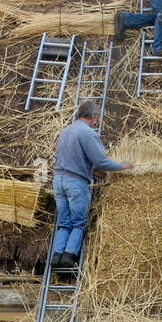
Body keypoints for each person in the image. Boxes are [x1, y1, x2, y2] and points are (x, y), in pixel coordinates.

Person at [51, 100, 133, 269]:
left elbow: (71, 159)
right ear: (94, 116)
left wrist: (92, 171)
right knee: (79, 222)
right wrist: (120, 166)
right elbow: (101, 161)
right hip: (75, 183)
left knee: (64, 222)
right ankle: (69, 254)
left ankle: (56, 254)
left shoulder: (66, 131)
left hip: (58, 180)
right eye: (97, 118)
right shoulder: (87, 133)